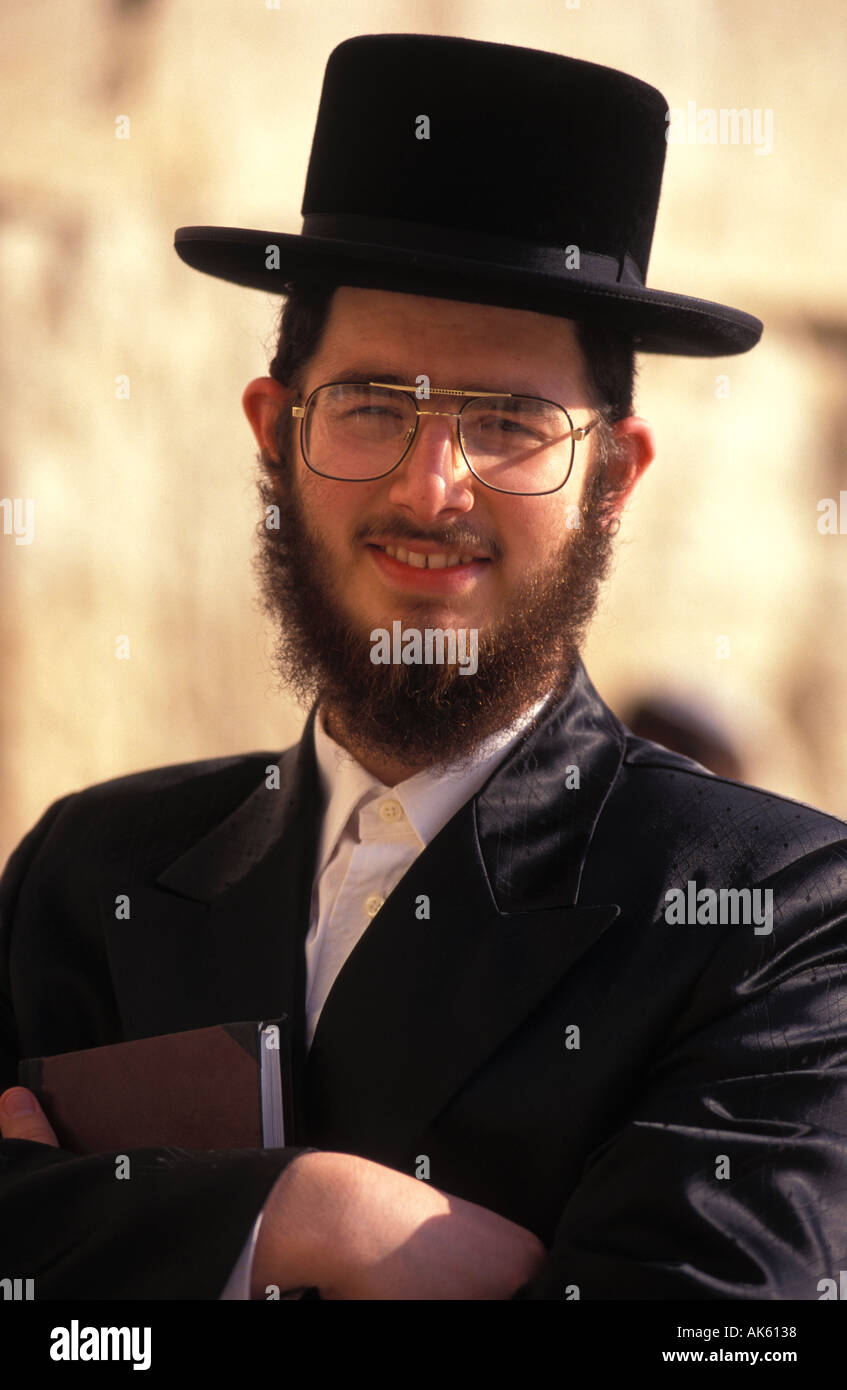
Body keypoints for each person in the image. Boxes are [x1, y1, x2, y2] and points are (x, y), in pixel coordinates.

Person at [1, 33, 845, 1302]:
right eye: (372, 405)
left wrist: (125, 1248)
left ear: (612, 477)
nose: (426, 486)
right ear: (274, 434)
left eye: (507, 421)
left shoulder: (777, 920)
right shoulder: (92, 869)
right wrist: (299, 1215)